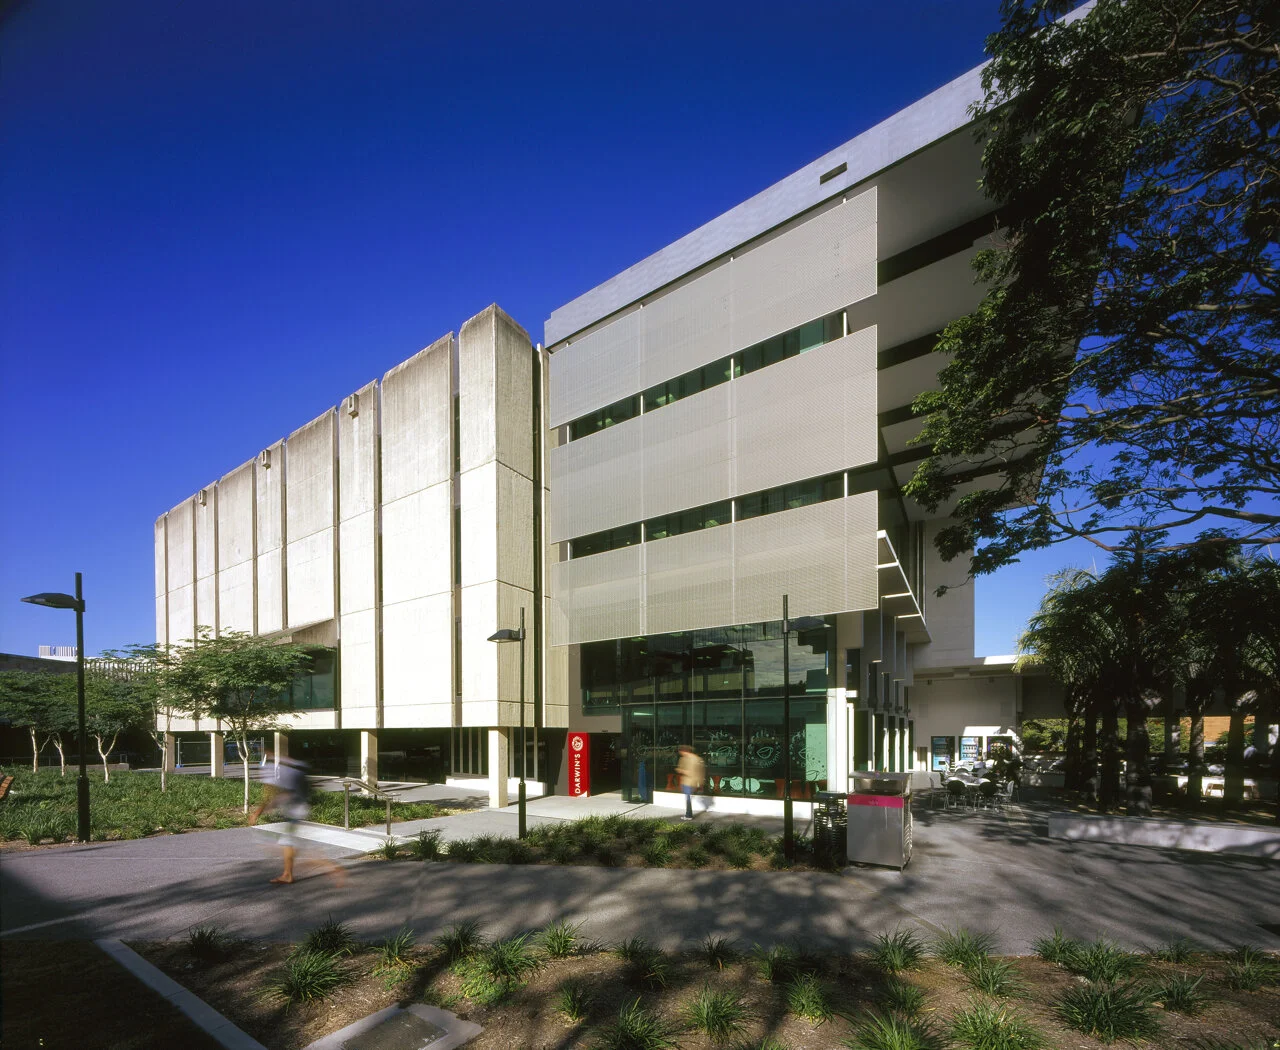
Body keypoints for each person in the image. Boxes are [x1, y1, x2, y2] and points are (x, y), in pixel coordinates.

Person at [249, 752, 344, 885]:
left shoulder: (284, 772)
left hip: (295, 813)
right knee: (289, 844)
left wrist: (260, 811)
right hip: (297, 811)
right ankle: (289, 874)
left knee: (289, 844)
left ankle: (331, 868)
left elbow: (280, 794)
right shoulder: (294, 770)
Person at [675, 745, 705, 821]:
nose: (680, 753)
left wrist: (681, 770)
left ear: (684, 751)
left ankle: (688, 815)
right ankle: (688, 814)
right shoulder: (697, 759)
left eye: (681, 751)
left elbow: (681, 769)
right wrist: (701, 783)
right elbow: (701, 772)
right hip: (693, 782)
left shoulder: (684, 759)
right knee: (688, 798)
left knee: (688, 798)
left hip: (688, 782)